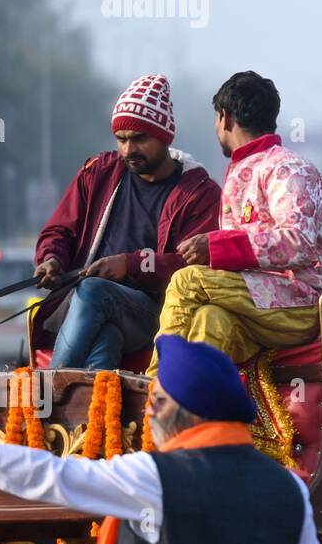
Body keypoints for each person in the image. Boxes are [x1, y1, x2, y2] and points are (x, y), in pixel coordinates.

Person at [0, 334, 322, 544]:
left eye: (157, 399)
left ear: (182, 411)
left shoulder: (155, 478)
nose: (148, 410)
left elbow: (47, 475)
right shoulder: (288, 486)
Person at [151, 72, 322, 370]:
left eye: (216, 120)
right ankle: (190, 412)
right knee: (209, 320)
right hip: (257, 303)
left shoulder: (287, 168)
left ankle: (153, 393)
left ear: (225, 118)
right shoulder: (245, 168)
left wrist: (217, 247)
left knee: (186, 280)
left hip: (302, 301)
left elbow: (298, 244)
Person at [32, 74, 221, 370]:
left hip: (157, 314)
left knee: (95, 290)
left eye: (139, 139)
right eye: (122, 139)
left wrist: (130, 265)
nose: (129, 150)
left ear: (165, 137)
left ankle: (50, 393)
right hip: (86, 303)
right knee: (106, 336)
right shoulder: (98, 173)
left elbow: (194, 270)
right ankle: (89, 414)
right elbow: (59, 230)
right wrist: (52, 259)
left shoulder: (199, 193)